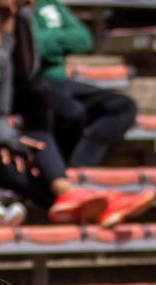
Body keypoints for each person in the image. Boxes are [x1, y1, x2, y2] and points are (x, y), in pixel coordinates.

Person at [0, 4, 148, 226]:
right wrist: (6, 140)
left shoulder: (1, 62)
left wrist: (8, 140)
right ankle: (96, 204)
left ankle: (75, 197)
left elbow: (1, 114)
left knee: (41, 139)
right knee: (23, 170)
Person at [23, 0, 139, 167]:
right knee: (72, 112)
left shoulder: (50, 4)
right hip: (32, 83)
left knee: (123, 106)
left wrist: (47, 45)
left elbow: (84, 39)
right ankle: (60, 172)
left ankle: (79, 168)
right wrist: (58, 43)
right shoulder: (11, 8)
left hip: (62, 81)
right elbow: (29, 47)